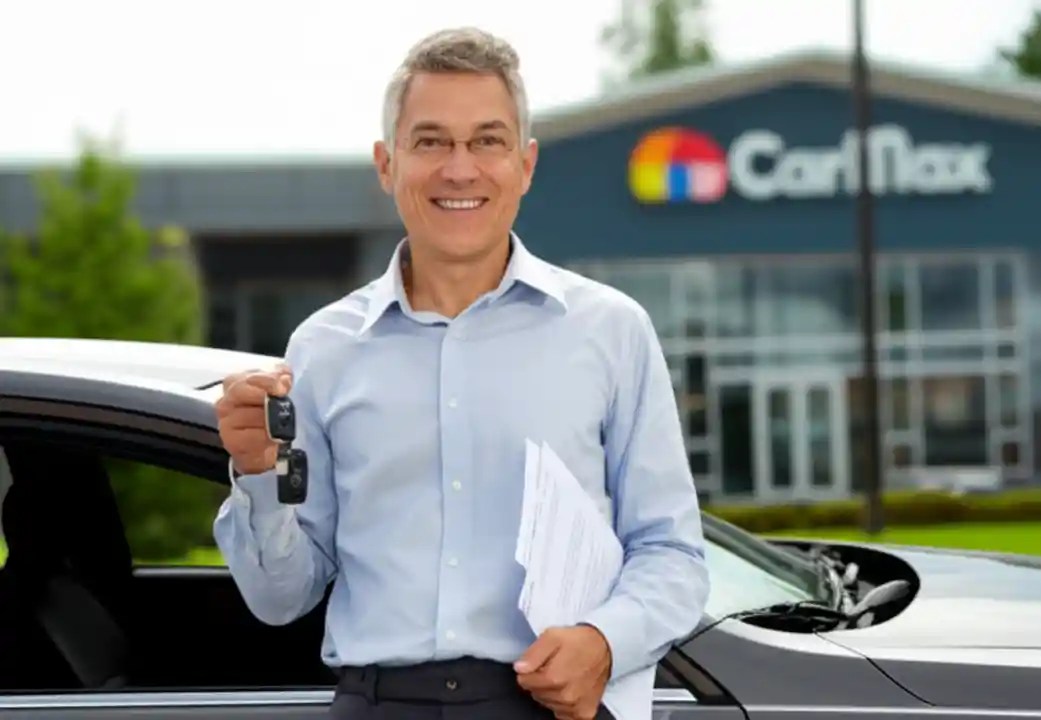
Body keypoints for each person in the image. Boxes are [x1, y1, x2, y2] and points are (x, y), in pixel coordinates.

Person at [211, 26, 710, 720]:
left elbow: (672, 554)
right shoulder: (322, 350)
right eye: (431, 141)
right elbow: (281, 599)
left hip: (549, 707)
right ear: (387, 165)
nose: (460, 168)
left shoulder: (610, 331)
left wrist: (604, 640)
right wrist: (257, 472)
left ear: (526, 164)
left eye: (487, 141)